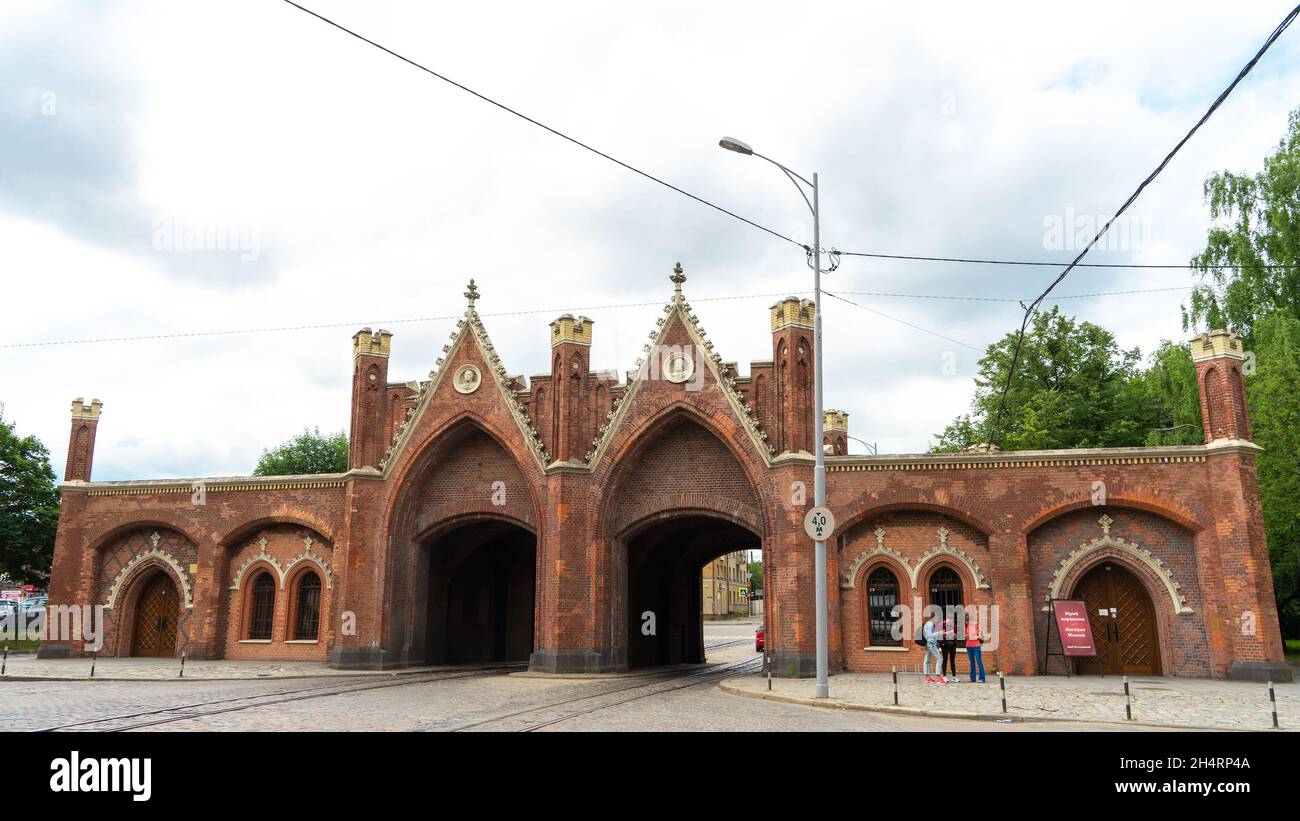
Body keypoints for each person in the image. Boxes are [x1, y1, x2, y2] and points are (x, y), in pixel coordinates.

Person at [922, 612, 944, 683]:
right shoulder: (930, 624)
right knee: (939, 658)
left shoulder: (928, 623)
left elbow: (927, 636)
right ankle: (938, 677)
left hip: (929, 643)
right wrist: (939, 633)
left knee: (927, 660)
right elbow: (929, 635)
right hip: (931, 643)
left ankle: (927, 678)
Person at [965, 614, 987, 683]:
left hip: (976, 646)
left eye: (968, 620)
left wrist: (971, 636)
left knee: (979, 662)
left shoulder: (976, 626)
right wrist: (968, 636)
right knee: (972, 662)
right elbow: (966, 636)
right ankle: (973, 678)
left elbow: (979, 636)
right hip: (969, 646)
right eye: (967, 620)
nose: (968, 622)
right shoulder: (967, 626)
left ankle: (982, 678)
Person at [940, 614, 958, 683]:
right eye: (949, 620)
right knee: (945, 659)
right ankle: (944, 676)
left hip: (952, 644)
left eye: (951, 620)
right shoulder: (942, 624)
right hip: (944, 644)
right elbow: (939, 633)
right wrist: (948, 633)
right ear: (946, 619)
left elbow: (957, 636)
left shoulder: (954, 625)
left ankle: (954, 676)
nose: (950, 621)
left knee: (952, 660)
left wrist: (954, 635)